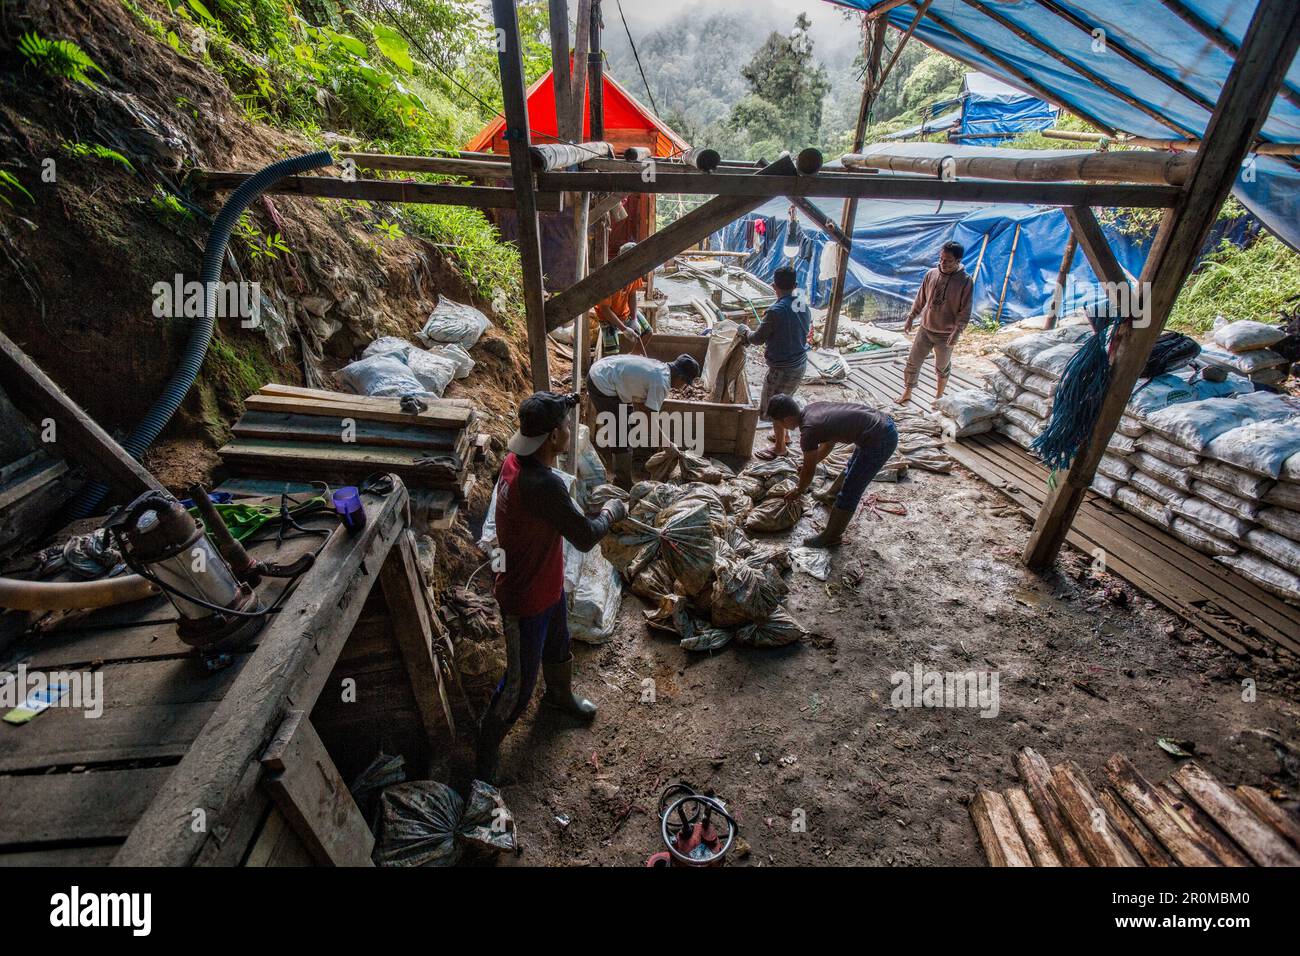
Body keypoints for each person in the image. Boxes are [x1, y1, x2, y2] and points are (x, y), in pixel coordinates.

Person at [476, 392, 628, 782]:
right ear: (551, 438)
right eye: (565, 426)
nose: (569, 430)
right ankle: (485, 751)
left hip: (547, 583)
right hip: (524, 599)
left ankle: (559, 697)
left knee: (559, 646)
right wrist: (612, 511)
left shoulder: (514, 462)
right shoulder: (541, 484)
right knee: (519, 686)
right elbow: (585, 537)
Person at [767, 394, 898, 548]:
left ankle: (831, 537)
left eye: (779, 423)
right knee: (852, 467)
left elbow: (809, 471)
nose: (781, 427)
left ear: (787, 419)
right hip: (879, 424)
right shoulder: (812, 410)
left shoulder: (808, 431)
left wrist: (799, 490)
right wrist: (811, 462)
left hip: (880, 438)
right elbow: (828, 444)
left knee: (851, 491)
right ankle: (831, 495)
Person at [585, 352, 701, 488]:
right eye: (685, 383)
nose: (684, 387)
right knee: (620, 435)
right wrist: (667, 445)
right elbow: (650, 418)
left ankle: (630, 459)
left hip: (604, 370)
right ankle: (622, 482)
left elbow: (642, 407)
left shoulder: (661, 368)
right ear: (680, 377)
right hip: (601, 381)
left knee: (627, 420)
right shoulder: (661, 383)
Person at [739, 265, 811, 460]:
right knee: (786, 399)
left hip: (782, 368)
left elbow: (756, 339)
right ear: (795, 285)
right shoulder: (802, 303)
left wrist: (744, 331)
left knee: (776, 407)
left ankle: (779, 447)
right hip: (800, 364)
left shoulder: (775, 312)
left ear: (773, 285)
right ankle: (785, 436)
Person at [899, 240, 973, 407]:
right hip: (925, 329)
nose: (942, 263)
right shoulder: (931, 274)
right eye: (940, 259)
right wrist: (911, 316)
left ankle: (939, 396)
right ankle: (907, 392)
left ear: (958, 261)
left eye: (947, 260)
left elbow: (966, 309)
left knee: (942, 366)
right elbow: (921, 298)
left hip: (945, 335)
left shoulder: (965, 281)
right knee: (913, 362)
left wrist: (957, 331)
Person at [589, 242, 653, 355]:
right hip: (607, 317)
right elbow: (605, 309)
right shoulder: (608, 278)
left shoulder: (634, 272)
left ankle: (633, 357)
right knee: (613, 352)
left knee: (647, 332)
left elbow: (632, 295)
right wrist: (624, 329)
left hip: (625, 312)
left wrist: (633, 319)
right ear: (622, 259)